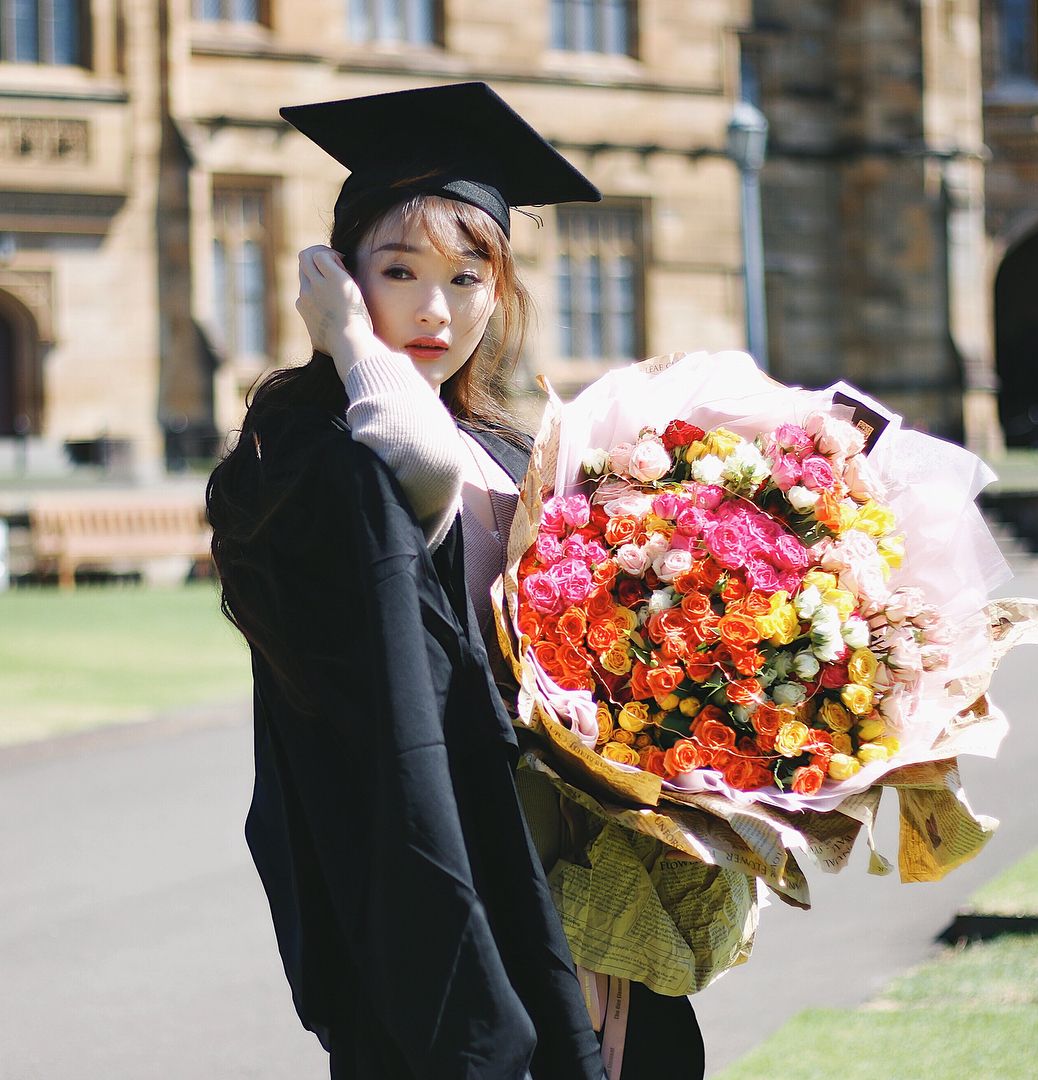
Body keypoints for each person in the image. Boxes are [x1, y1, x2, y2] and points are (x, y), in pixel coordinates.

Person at [206, 82, 703, 1079]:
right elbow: (411, 469)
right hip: (448, 890)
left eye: (469, 277)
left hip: (578, 874)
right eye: (398, 270)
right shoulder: (306, 457)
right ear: (339, 277)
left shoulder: (513, 453)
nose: (436, 308)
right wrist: (348, 345)